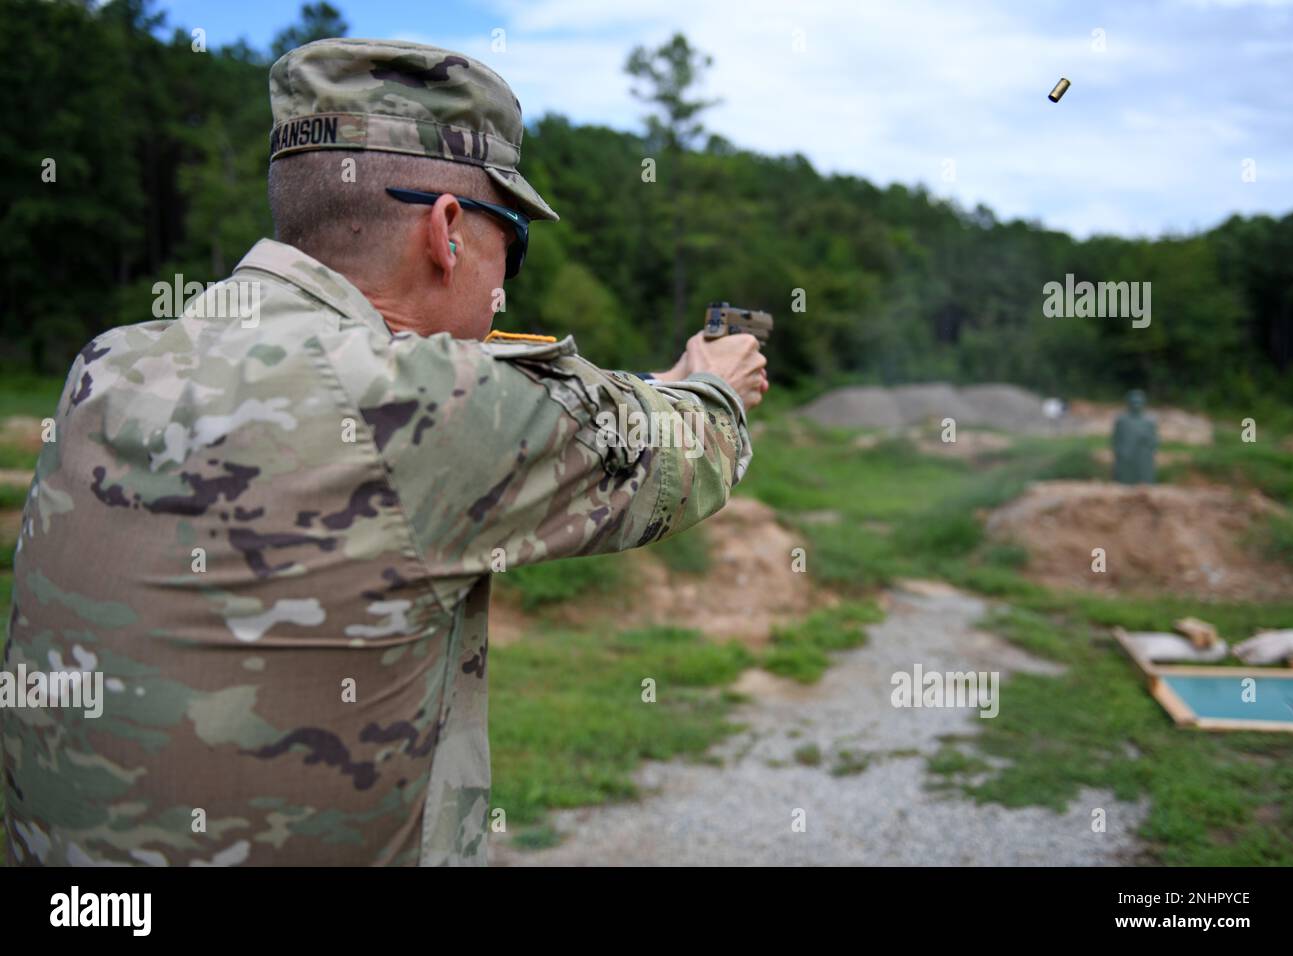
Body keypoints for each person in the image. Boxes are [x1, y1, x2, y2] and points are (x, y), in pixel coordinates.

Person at [2, 37, 766, 866]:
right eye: (513, 238)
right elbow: (691, 449)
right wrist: (714, 383)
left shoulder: (108, 366)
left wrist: (654, 381)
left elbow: (456, 412)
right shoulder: (422, 407)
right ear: (448, 232)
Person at [1111, 389, 1157, 484]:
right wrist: (1119, 451)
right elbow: (1116, 439)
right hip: (1126, 457)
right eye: (1134, 402)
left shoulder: (1149, 422)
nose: (1136, 405)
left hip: (1143, 458)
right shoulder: (1122, 421)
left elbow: (1154, 441)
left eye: (1139, 402)